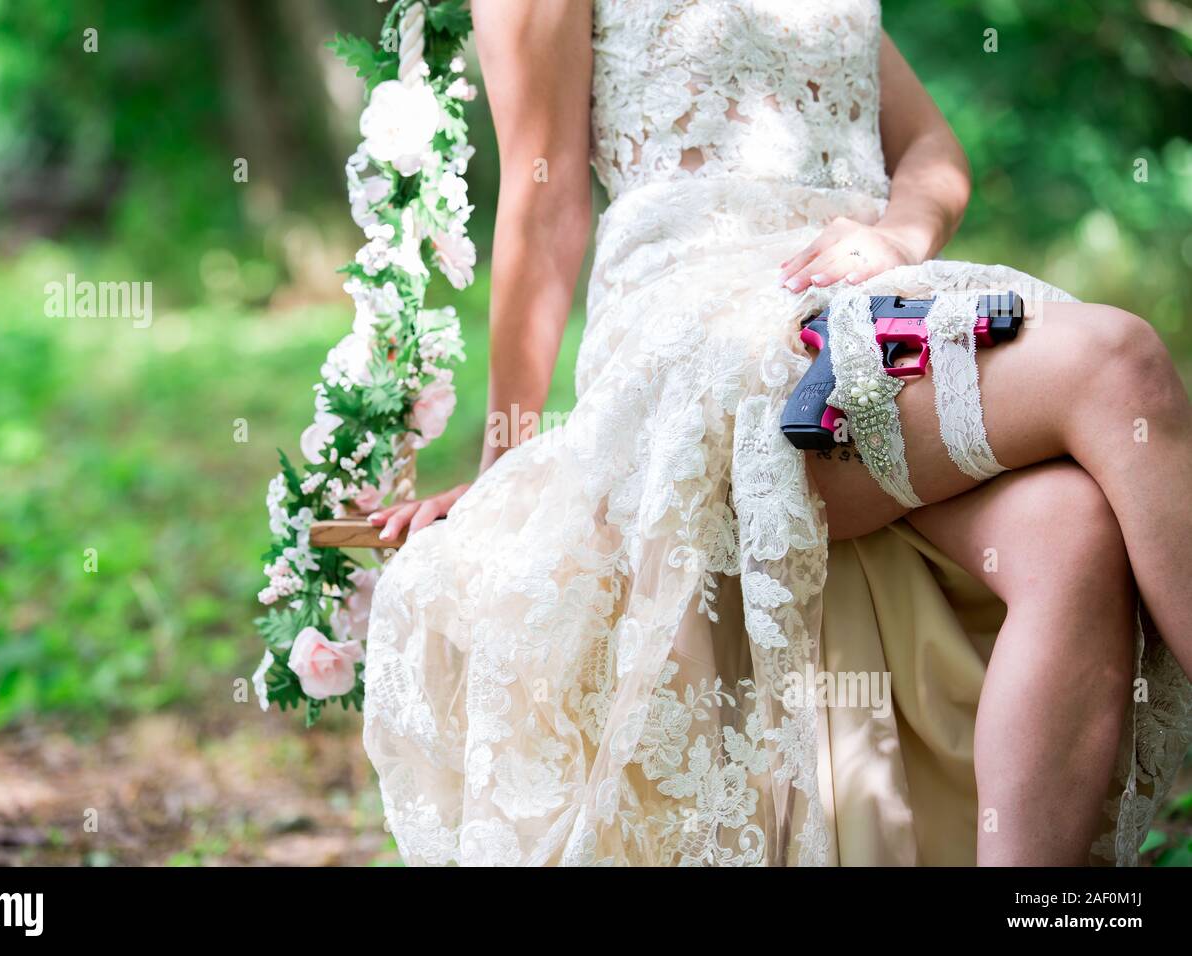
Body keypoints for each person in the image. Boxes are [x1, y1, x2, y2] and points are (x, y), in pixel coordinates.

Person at [361, 0, 1192, 866]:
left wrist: (896, 234)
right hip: (714, 337)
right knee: (1117, 362)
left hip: (881, 304)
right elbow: (546, 200)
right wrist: (508, 466)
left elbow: (933, 150)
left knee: (1071, 533)